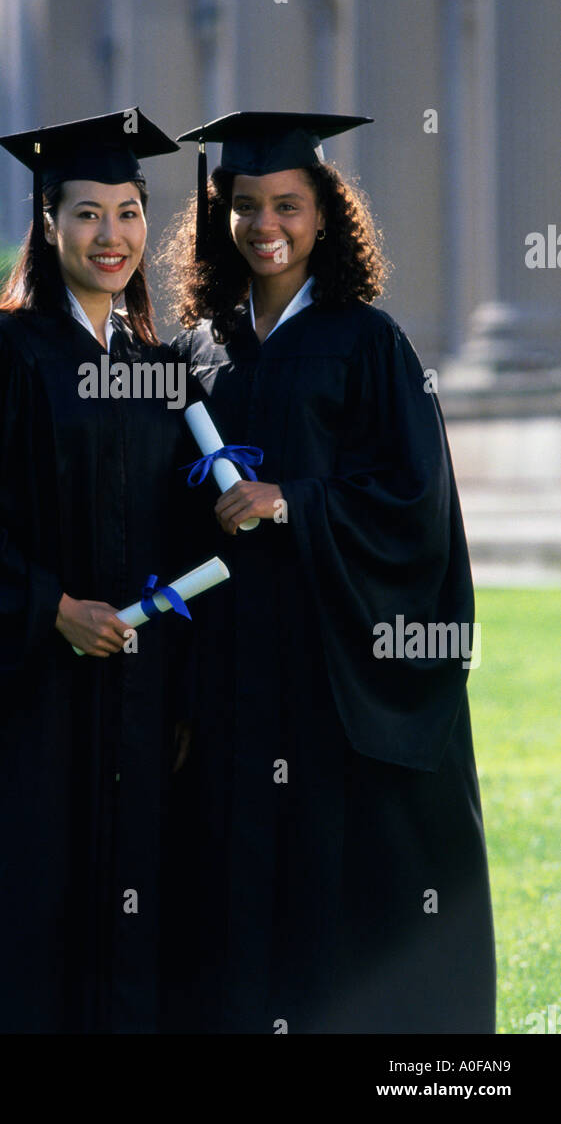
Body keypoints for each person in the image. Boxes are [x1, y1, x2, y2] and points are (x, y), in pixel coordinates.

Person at [163, 111, 496, 1034]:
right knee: (232, 875)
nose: (264, 224)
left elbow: (414, 502)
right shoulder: (197, 350)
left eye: (287, 205)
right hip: (230, 664)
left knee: (334, 873)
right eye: (244, 204)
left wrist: (293, 501)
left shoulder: (368, 342)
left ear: (324, 216)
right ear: (220, 214)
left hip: (333, 660)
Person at [0, 108, 197, 1034]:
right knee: (21, 902)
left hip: (131, 696)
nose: (112, 236)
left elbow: (175, 533)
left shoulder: (155, 369)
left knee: (125, 908)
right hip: (22, 699)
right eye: (88, 214)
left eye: (130, 212)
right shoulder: (3, 353)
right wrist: (53, 609)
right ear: (48, 224)